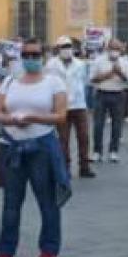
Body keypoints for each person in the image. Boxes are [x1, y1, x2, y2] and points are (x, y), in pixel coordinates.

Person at [0, 38, 69, 257]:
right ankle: (5, 252)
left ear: (43, 57)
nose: (31, 59)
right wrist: (11, 120)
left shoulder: (54, 82)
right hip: (12, 145)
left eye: (35, 55)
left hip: (42, 146)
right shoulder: (10, 81)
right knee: (11, 202)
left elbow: (61, 115)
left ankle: (49, 251)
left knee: (47, 202)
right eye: (26, 55)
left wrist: (34, 118)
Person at [45, 36, 95, 179]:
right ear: (57, 49)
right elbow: (48, 84)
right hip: (61, 105)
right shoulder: (51, 64)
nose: (66, 49)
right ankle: (65, 168)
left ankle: (84, 167)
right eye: (63, 47)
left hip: (79, 104)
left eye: (68, 46)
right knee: (63, 139)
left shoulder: (80, 64)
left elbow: (85, 81)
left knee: (84, 136)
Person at [89, 39, 128, 163]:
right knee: (98, 124)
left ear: (121, 50)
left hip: (118, 94)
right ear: (107, 49)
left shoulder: (124, 62)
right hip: (101, 94)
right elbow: (91, 79)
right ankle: (97, 151)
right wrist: (109, 74)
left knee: (117, 124)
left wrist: (119, 73)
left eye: (118, 49)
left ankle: (114, 151)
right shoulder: (98, 61)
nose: (115, 51)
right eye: (113, 48)